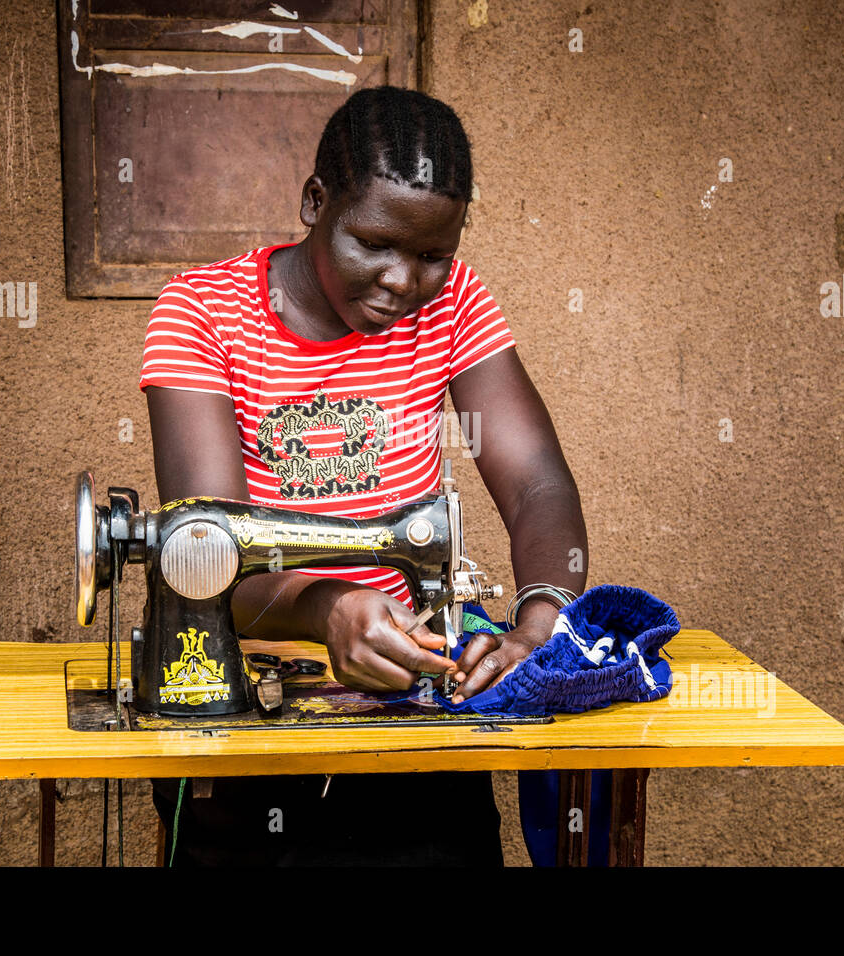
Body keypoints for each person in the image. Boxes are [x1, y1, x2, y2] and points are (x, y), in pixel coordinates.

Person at [139, 84, 587, 865]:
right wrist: (327, 608)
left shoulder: (452, 308)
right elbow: (206, 554)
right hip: (250, 733)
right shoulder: (202, 313)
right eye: (375, 244)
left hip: (415, 710)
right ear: (317, 202)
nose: (402, 283)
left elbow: (537, 484)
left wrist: (544, 619)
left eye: (431, 256)